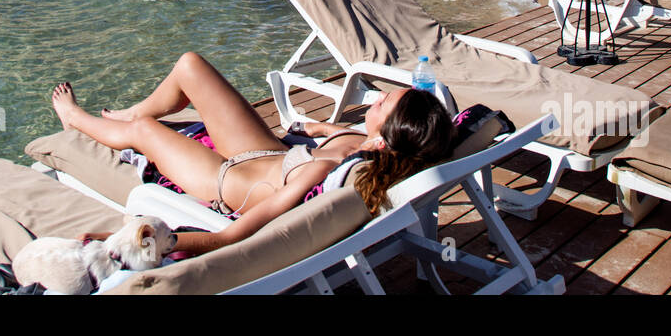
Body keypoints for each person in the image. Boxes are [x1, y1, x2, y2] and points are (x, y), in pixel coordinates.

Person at [49, 53, 454, 255]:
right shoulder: (373, 152)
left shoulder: (324, 172)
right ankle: (134, 108)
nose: (378, 96)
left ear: (384, 139)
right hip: (263, 152)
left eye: (384, 102)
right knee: (190, 65)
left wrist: (137, 240)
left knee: (143, 132)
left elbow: (235, 235)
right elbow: (344, 140)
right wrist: (323, 129)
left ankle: (76, 118)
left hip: (224, 179)